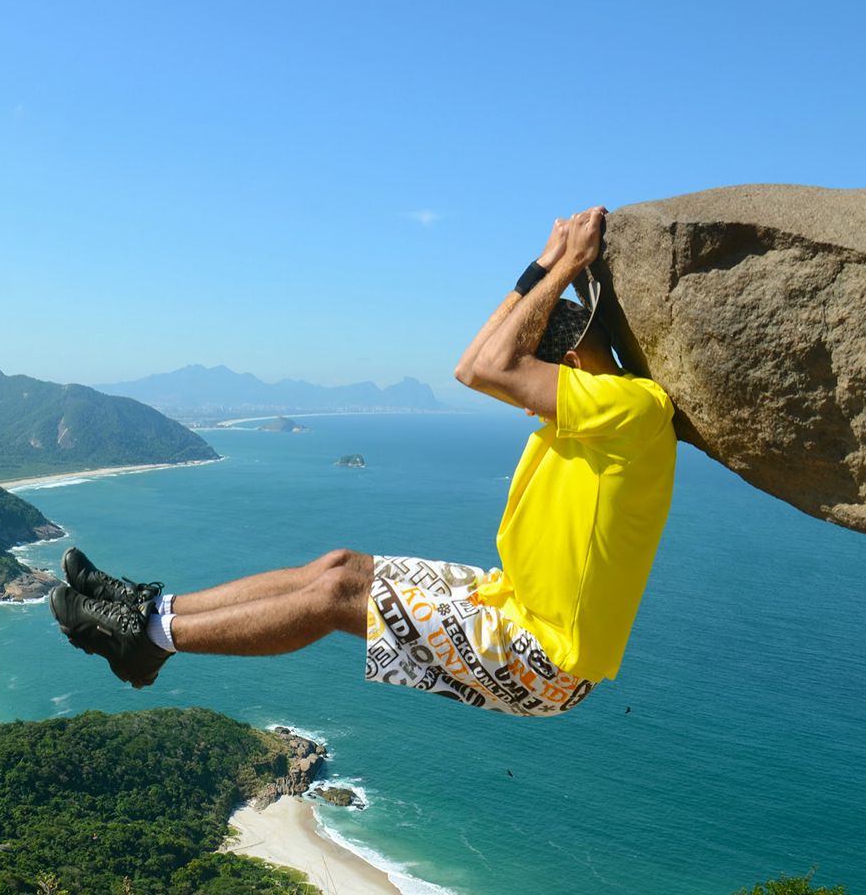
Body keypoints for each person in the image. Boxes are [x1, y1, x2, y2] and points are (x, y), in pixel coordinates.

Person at [49, 206, 678, 716]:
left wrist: (565, 264)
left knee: (334, 596)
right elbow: (473, 366)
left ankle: (145, 641)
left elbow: (488, 367)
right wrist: (542, 267)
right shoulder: (595, 407)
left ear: (567, 358)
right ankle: (149, 614)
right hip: (509, 600)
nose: (531, 394)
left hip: (545, 659)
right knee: (340, 565)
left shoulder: (633, 408)